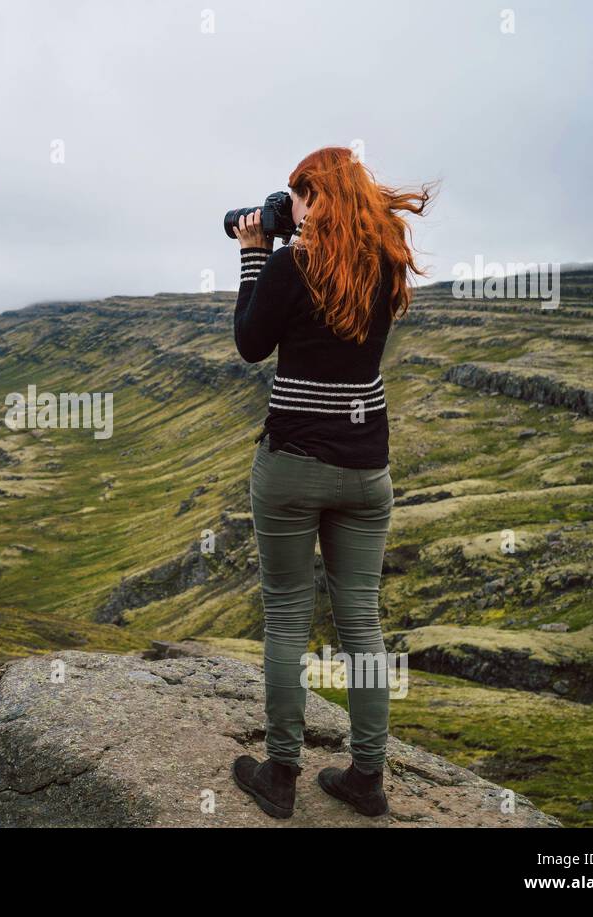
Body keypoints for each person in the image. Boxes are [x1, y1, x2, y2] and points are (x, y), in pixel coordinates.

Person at [229, 147, 433, 819]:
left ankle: (280, 775)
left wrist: (255, 250)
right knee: (362, 625)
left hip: (290, 464)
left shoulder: (292, 264)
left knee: (287, 615)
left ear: (322, 198)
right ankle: (367, 778)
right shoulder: (384, 265)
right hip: (366, 471)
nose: (293, 207)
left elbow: (252, 343)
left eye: (301, 195)